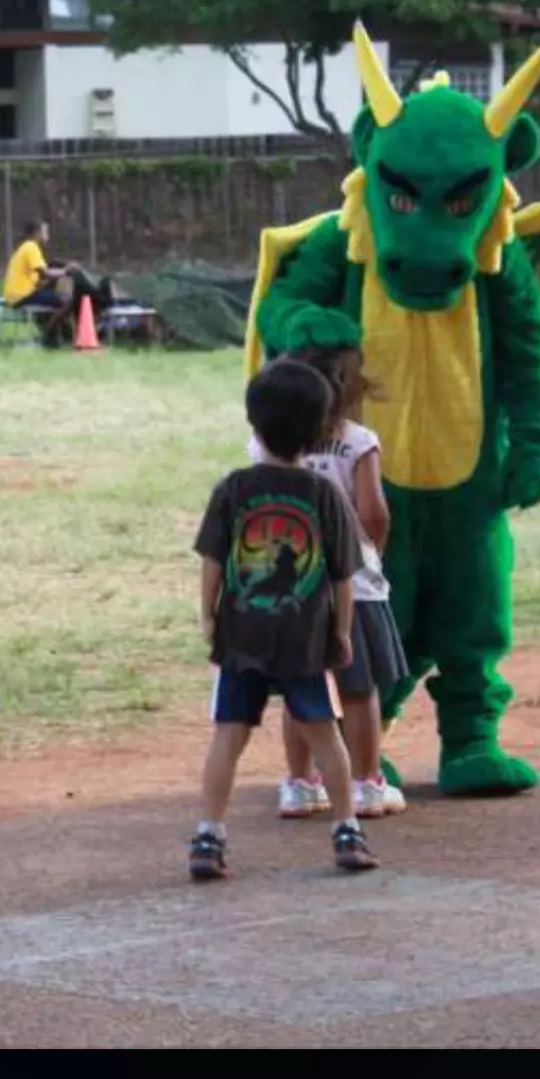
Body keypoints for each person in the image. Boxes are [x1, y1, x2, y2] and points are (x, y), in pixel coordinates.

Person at [190, 358, 377, 880]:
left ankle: (208, 835)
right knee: (323, 734)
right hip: (304, 637)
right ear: (320, 429)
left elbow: (212, 562)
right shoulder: (325, 496)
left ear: (253, 423)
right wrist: (341, 634)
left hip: (242, 634)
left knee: (229, 734)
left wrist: (209, 618)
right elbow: (343, 576)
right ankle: (346, 829)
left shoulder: (232, 488)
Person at [253, 347, 410, 822]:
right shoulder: (359, 440)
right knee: (359, 688)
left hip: (291, 583)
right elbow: (374, 513)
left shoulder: (267, 445)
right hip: (354, 584)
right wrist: (371, 553)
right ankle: (366, 783)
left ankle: (300, 784)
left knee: (301, 686)